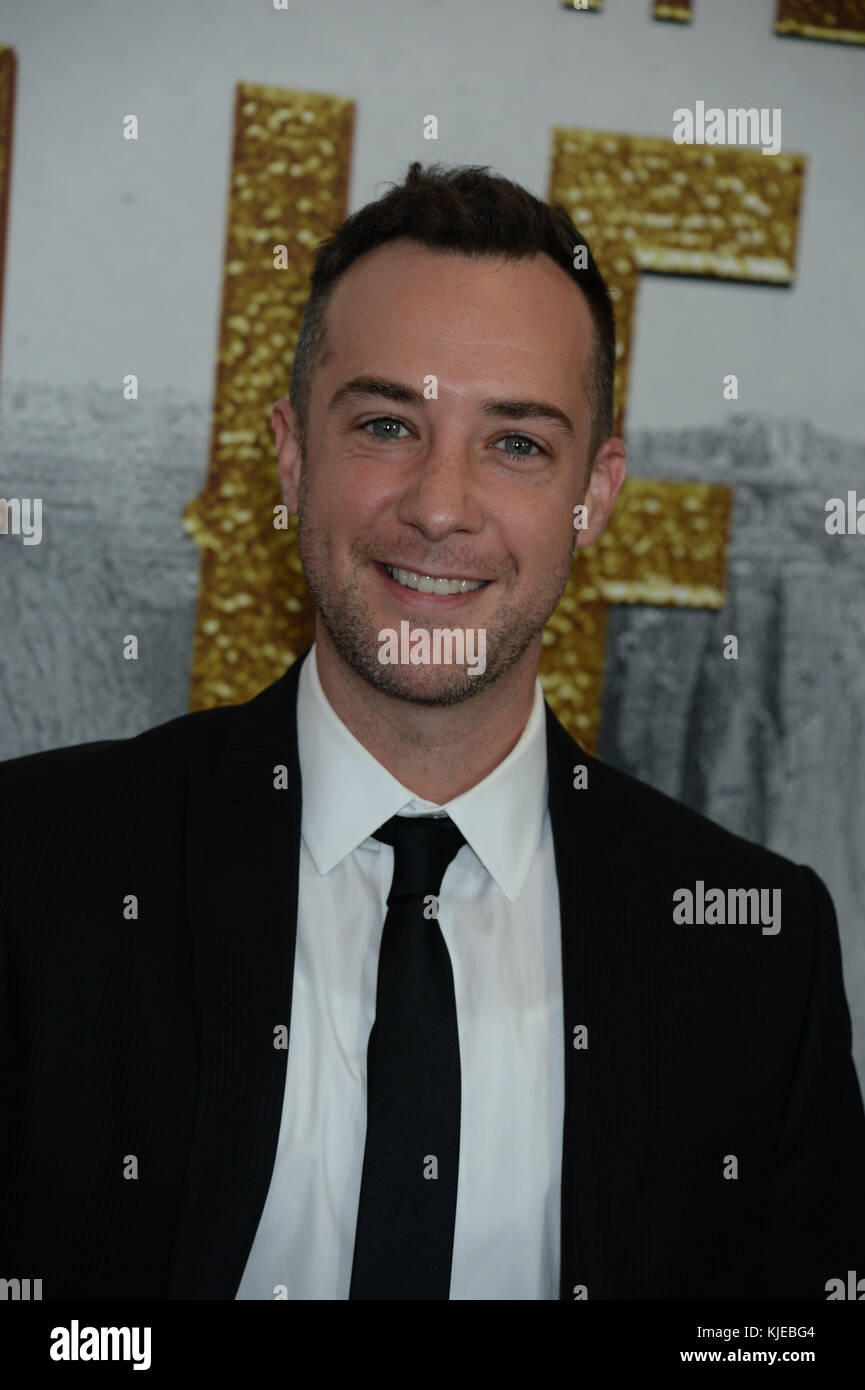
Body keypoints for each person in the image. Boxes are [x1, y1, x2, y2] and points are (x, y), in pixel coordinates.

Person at [1, 161, 863, 1301]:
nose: (439, 505)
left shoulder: (757, 948)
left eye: (515, 443)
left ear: (595, 494)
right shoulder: (35, 864)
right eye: (385, 423)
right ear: (293, 454)